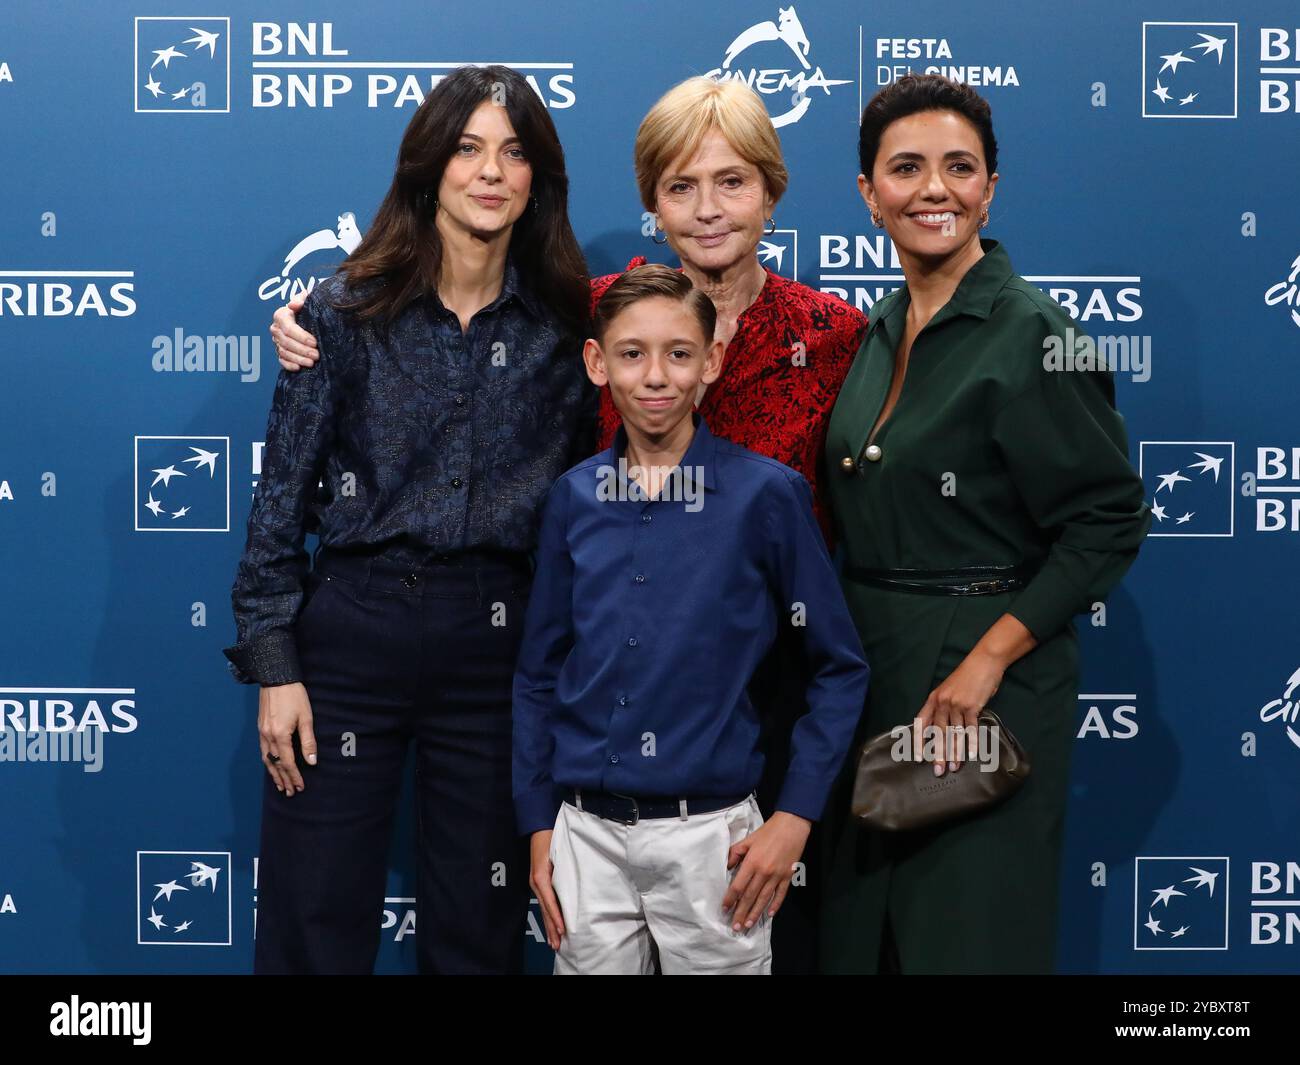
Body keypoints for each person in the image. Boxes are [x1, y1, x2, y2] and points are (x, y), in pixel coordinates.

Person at [268, 76, 867, 973]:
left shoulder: (831, 334)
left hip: (741, 698)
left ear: (773, 189)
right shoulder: (570, 312)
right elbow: (292, 492)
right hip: (540, 681)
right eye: (680, 186)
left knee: (741, 934)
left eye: (733, 181)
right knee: (339, 909)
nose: (708, 209)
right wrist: (311, 323)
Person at [223, 64, 595, 974]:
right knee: (313, 920)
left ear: (537, 179)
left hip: (499, 644)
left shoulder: (566, 323)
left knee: (478, 930)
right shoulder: (341, 313)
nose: (490, 172)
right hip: (352, 636)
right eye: (467, 148)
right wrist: (277, 666)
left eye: (513, 153)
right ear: (428, 166)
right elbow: (278, 510)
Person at [819, 74, 1151, 974]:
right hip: (869, 679)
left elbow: (1110, 521)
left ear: (990, 187)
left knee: (965, 940)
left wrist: (988, 659)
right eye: (907, 168)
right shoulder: (878, 327)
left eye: (960, 167)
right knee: (862, 944)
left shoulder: (1034, 333)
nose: (934, 189)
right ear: (868, 193)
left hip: (981, 695)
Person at [513, 264, 870, 975]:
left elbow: (839, 668)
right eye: (631, 353)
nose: (655, 376)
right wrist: (537, 820)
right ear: (596, 361)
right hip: (583, 832)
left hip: (712, 840)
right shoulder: (571, 499)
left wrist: (795, 815)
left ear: (712, 360)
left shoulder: (768, 497)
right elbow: (537, 673)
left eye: (679, 353)